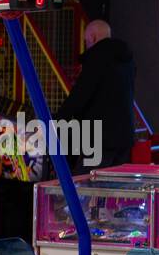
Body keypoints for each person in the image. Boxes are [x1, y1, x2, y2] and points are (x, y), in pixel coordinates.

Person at [55, 20, 136, 173]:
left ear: (92, 37)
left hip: (99, 137)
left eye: (86, 41)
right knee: (111, 190)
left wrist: (58, 119)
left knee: (85, 188)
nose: (87, 45)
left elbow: (80, 95)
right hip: (125, 136)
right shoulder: (127, 60)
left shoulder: (97, 58)